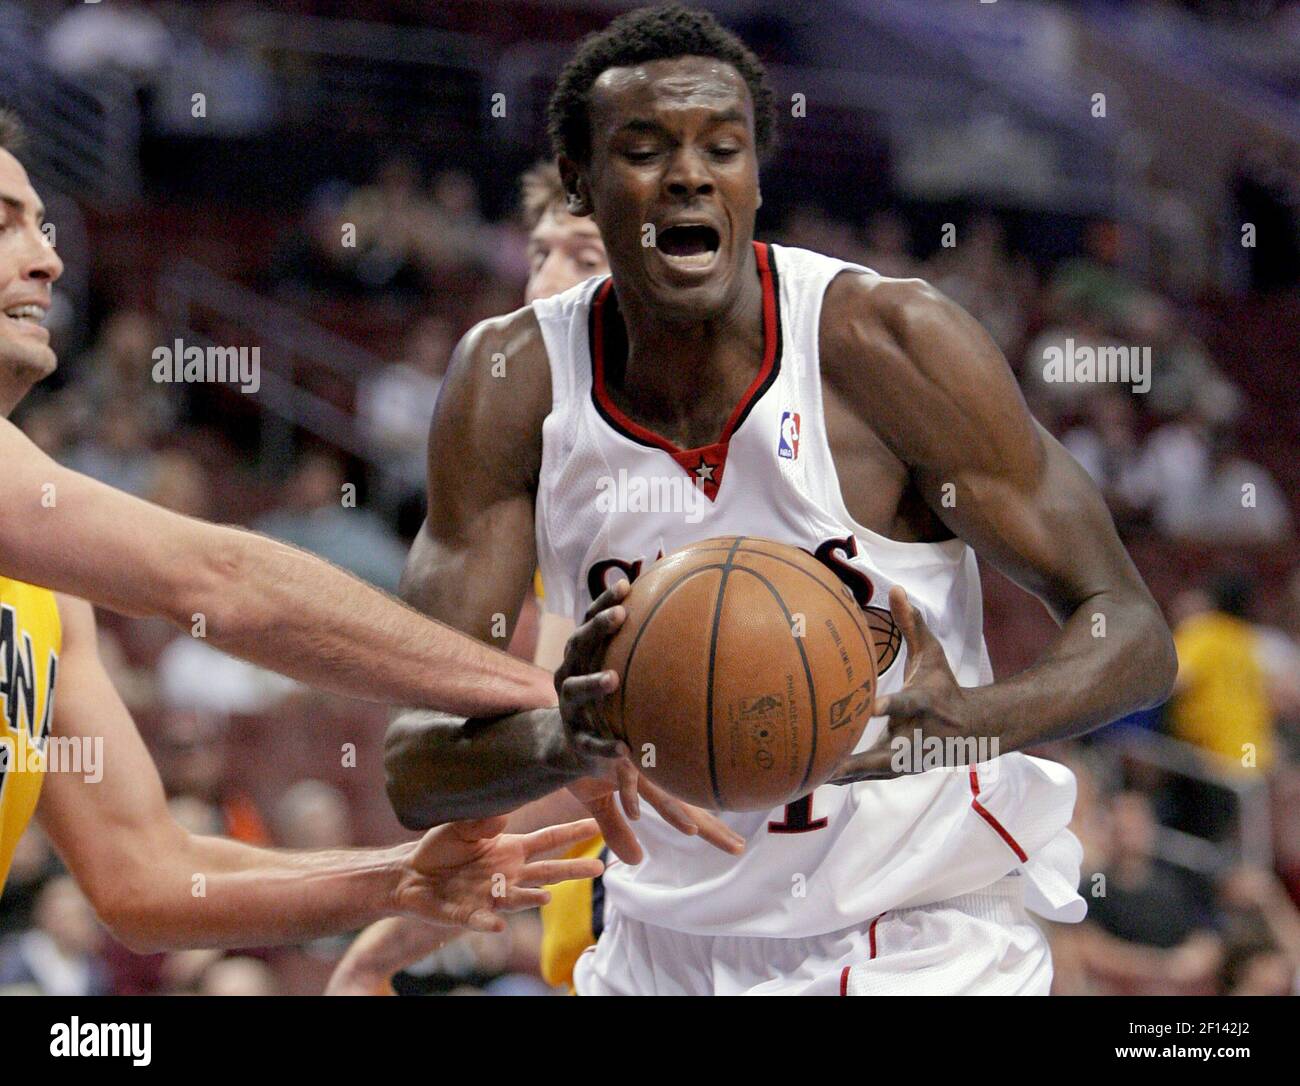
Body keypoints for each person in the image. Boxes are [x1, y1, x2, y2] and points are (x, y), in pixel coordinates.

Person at [382, 4, 1176, 996]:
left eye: (722, 146)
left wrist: (966, 722)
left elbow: (1134, 633)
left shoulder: (886, 343)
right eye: (642, 148)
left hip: (913, 940)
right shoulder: (512, 384)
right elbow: (414, 769)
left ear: (754, 180)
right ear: (580, 185)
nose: (687, 174)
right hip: (653, 950)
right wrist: (568, 735)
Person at [0, 109, 610, 949]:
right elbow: (217, 581)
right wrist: (538, 694)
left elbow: (144, 873)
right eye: (4, 225)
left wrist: (396, 880)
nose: (49, 257)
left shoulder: (43, 590)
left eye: (42, 225)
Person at [328, 160, 731, 996]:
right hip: (606, 922)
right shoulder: (554, 484)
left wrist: (390, 936)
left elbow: (597, 761)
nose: (547, 279)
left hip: (704, 918)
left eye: (581, 257)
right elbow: (569, 755)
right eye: (538, 252)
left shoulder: (709, 482)